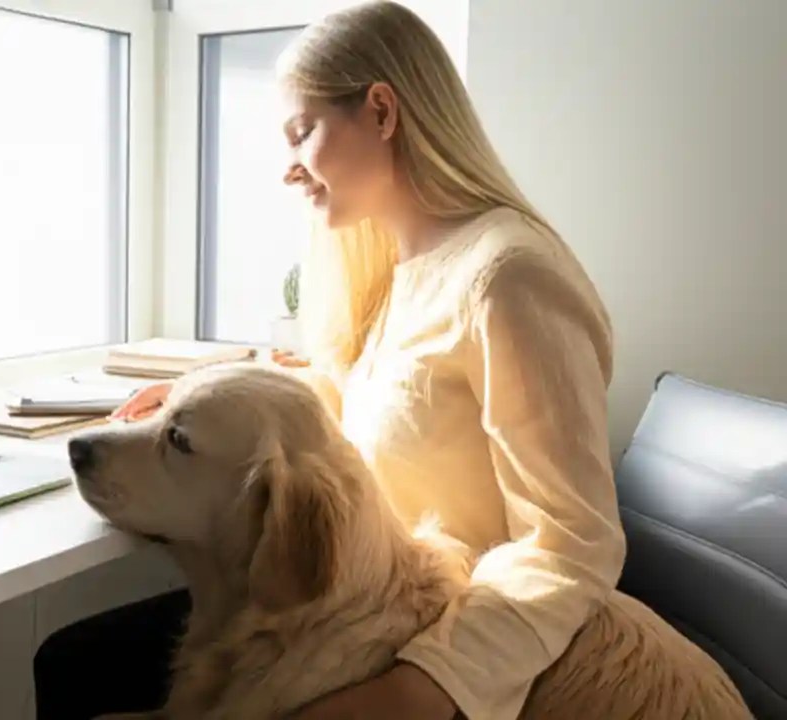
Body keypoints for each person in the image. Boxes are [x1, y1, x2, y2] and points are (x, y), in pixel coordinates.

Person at [33, 2, 625, 718]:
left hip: (428, 653)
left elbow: (571, 546)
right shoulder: (406, 261)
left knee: (80, 673)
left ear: (381, 110)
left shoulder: (509, 278)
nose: (288, 171)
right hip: (351, 616)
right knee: (73, 664)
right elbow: (371, 404)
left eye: (302, 132)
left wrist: (423, 688)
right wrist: (198, 401)